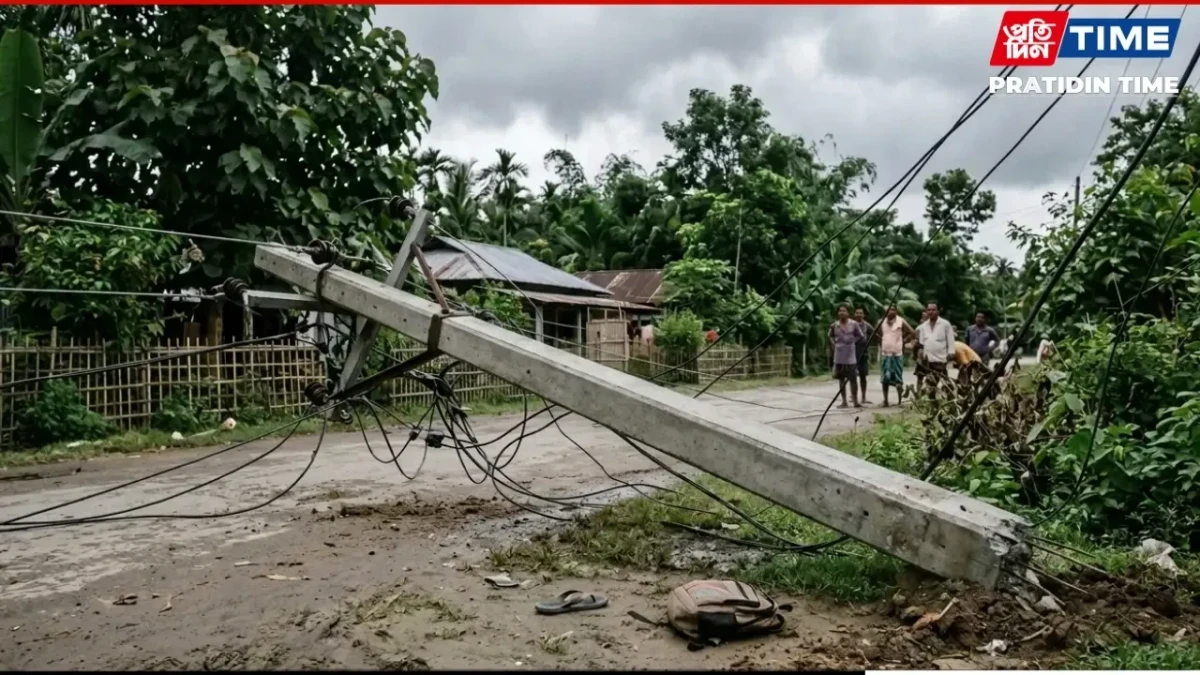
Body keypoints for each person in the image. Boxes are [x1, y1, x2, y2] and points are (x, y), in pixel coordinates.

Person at [828, 305, 865, 408]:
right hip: (839, 355)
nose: (842, 313)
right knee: (841, 379)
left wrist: (853, 341)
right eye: (840, 311)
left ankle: (855, 401)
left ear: (848, 313)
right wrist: (833, 344)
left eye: (844, 311)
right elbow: (830, 335)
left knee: (853, 379)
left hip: (850, 355)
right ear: (838, 313)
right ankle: (844, 401)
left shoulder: (854, 324)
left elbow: (860, 335)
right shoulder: (834, 325)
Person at [878, 305, 915, 407]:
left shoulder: (901, 321)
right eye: (888, 309)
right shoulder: (881, 322)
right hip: (885, 354)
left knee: (898, 377)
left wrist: (904, 340)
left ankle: (899, 401)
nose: (890, 311)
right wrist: (883, 342)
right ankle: (885, 400)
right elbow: (878, 334)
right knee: (884, 377)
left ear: (896, 312)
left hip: (897, 354)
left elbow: (912, 332)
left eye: (893, 309)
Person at [916, 302, 955, 388]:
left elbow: (950, 339)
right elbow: (921, 344)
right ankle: (921, 397)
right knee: (924, 379)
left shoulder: (945, 324)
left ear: (938, 311)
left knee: (943, 380)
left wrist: (951, 352)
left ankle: (948, 395)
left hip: (941, 358)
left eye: (933, 310)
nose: (931, 312)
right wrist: (920, 355)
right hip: (927, 359)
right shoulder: (923, 326)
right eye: (929, 310)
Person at [852, 308, 873, 404]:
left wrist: (868, 342)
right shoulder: (851, 325)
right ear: (854, 314)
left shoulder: (867, 325)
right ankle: (854, 396)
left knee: (863, 376)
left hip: (863, 354)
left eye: (861, 313)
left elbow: (873, 333)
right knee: (852, 377)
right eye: (857, 313)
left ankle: (863, 397)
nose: (859, 314)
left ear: (863, 315)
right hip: (852, 354)